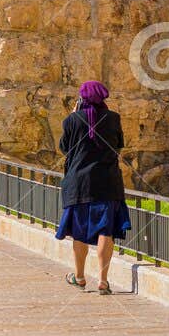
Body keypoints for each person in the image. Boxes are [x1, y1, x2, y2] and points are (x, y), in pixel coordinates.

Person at [55, 80, 131, 295]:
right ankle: (103, 280)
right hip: (107, 183)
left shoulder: (72, 120)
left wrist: (72, 116)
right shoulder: (113, 119)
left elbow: (64, 148)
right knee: (105, 230)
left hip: (79, 185)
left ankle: (79, 277)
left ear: (82, 98)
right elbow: (118, 145)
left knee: (79, 233)